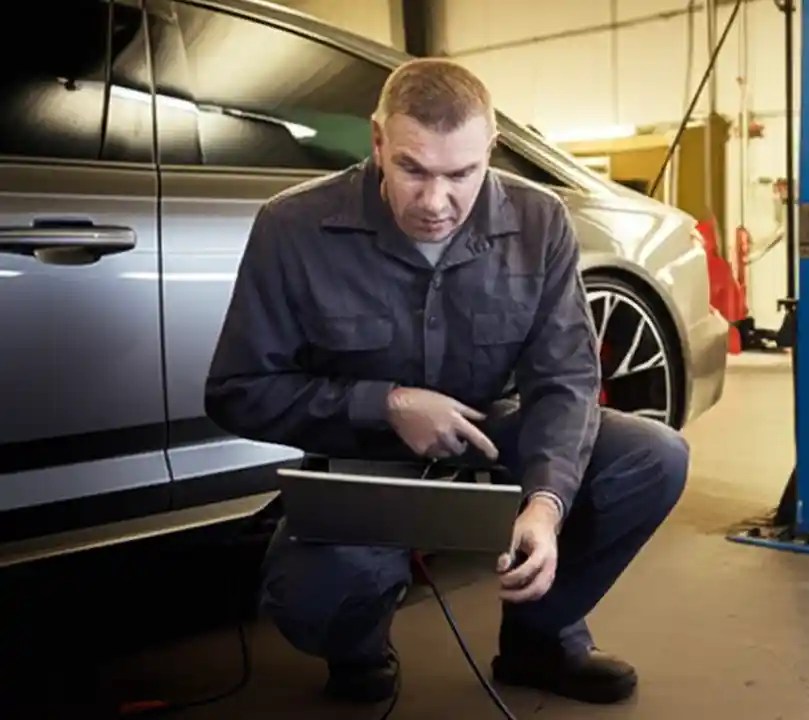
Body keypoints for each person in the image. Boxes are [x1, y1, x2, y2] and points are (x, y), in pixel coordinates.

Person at [204, 57, 689, 706]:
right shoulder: (291, 229)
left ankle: (540, 638)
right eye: (411, 169)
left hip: (495, 430)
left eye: (462, 174)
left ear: (490, 151)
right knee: (313, 593)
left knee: (653, 459)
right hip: (364, 455)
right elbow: (237, 389)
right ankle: (357, 644)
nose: (436, 203)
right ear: (377, 142)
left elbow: (566, 382)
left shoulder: (540, 221)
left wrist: (547, 506)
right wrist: (386, 404)